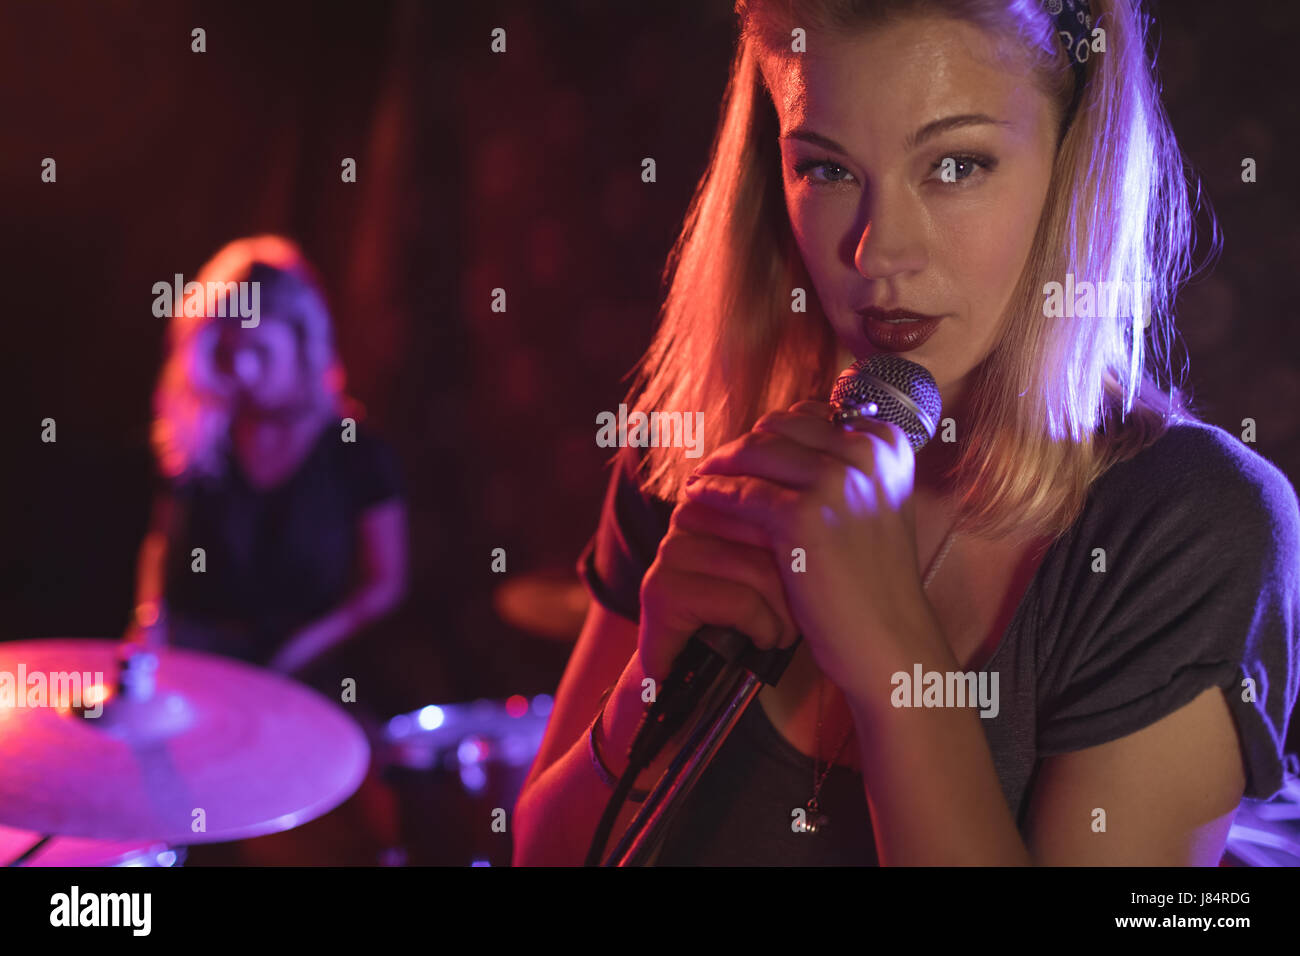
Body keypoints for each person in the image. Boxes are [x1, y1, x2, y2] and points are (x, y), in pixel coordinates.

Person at [513, 0, 1300, 866]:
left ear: (1076, 161)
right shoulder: (705, 451)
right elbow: (542, 852)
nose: (879, 251)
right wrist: (645, 692)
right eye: (826, 170)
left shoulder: (1188, 527)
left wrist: (895, 664)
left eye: (957, 165)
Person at [125, 235, 408, 676]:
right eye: (229, 354)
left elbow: (385, 583)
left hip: (303, 674)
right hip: (194, 668)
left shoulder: (357, 451)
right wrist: (149, 623)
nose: (243, 373)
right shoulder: (202, 436)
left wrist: (300, 651)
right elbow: (162, 541)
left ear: (304, 346)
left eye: (261, 353)